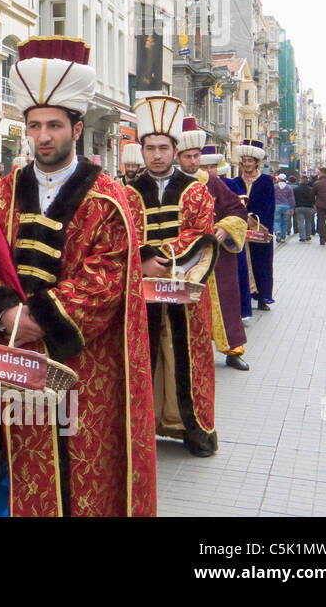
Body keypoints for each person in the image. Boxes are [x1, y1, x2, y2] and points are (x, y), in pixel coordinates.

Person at [0, 35, 156, 516]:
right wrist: (6, 316)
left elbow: (103, 283)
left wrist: (40, 319)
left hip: (79, 370)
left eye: (54, 125)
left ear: (77, 126)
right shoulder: (2, 194)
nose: (44, 136)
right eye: (34, 126)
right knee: (4, 463)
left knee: (76, 473)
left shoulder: (109, 199)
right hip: (8, 360)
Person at [124, 96, 219, 458]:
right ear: (142, 150)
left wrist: (162, 257)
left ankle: (193, 430)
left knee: (186, 359)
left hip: (185, 289)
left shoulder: (196, 190)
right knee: (143, 356)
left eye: (164, 148)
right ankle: (144, 428)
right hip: (141, 288)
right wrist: (143, 258)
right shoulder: (128, 192)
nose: (157, 155)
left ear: (176, 149)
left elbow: (201, 232)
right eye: (150, 148)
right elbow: (123, 236)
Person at [191, 143, 251, 371]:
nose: (194, 162)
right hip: (183, 256)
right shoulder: (172, 184)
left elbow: (238, 210)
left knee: (226, 299)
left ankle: (233, 350)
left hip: (217, 256)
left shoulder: (214, 184)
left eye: (198, 157)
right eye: (189, 156)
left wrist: (225, 228)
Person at [227, 141, 275, 312]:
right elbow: (230, 203)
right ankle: (243, 297)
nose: (247, 164)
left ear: (256, 162)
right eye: (244, 160)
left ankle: (263, 297)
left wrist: (255, 220)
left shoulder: (266, 181)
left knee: (262, 263)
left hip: (259, 229)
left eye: (250, 161)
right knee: (240, 264)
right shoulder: (235, 181)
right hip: (239, 229)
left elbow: (269, 206)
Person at [293, 174, 315, 242]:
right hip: (309, 207)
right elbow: (313, 199)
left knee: (300, 222)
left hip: (299, 207)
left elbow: (294, 199)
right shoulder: (311, 189)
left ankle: (302, 237)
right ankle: (308, 236)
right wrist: (314, 207)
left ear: (300, 181)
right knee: (308, 221)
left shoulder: (296, 189)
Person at [273, 173, 294, 243]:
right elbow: (291, 199)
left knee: (276, 220)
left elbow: (271, 197)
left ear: (279, 179)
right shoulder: (289, 187)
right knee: (285, 222)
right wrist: (292, 208)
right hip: (286, 206)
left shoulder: (275, 187)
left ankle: (277, 231)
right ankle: (283, 236)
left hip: (277, 205)